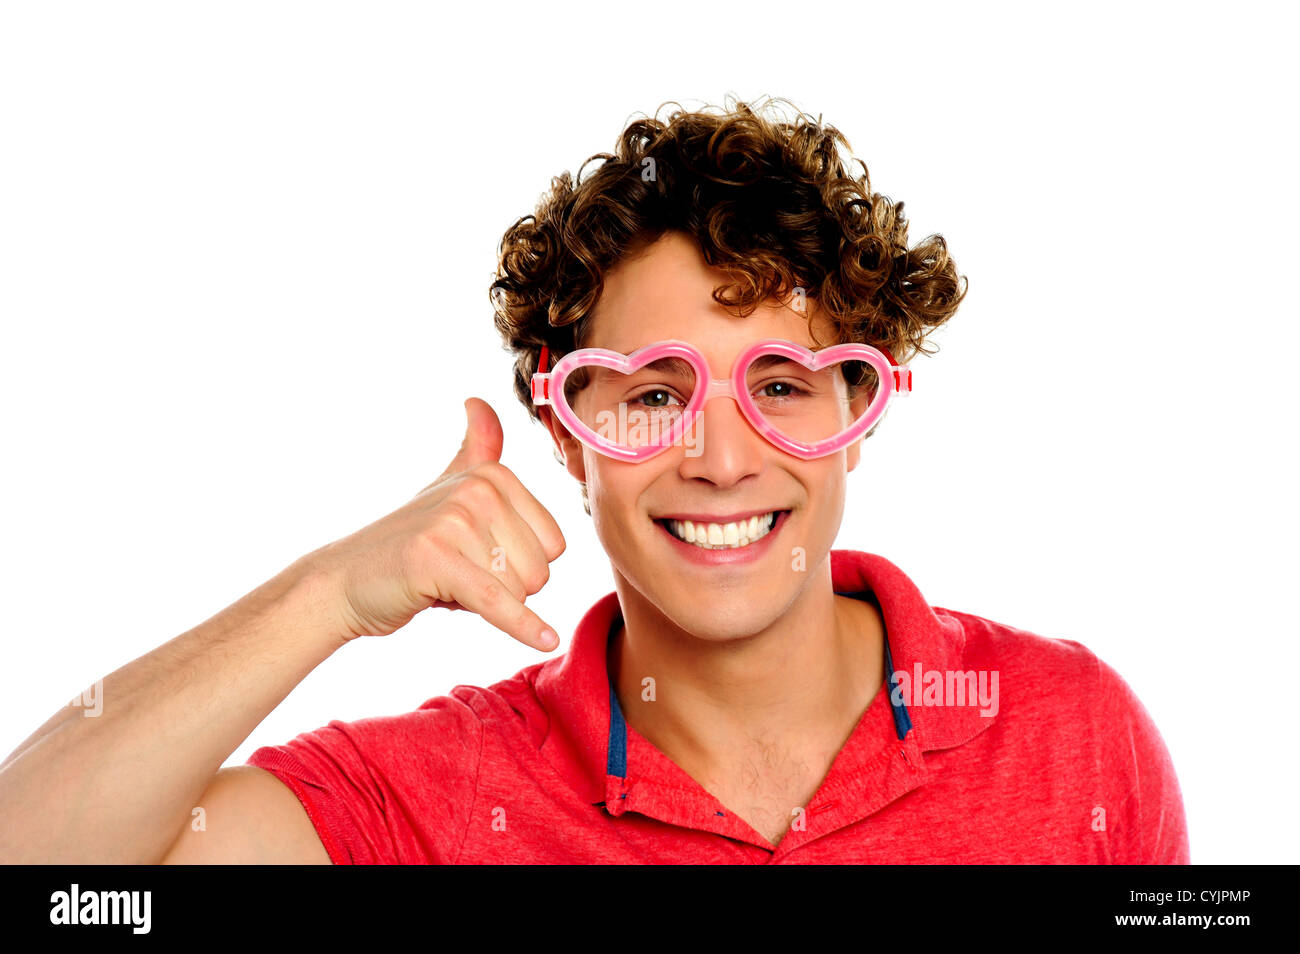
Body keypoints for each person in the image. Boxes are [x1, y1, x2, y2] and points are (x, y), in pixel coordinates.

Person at [0, 97, 1189, 864]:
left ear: (857, 411)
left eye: (779, 384)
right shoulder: (431, 801)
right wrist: (330, 592)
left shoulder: (1070, 735)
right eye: (653, 394)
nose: (722, 460)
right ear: (562, 428)